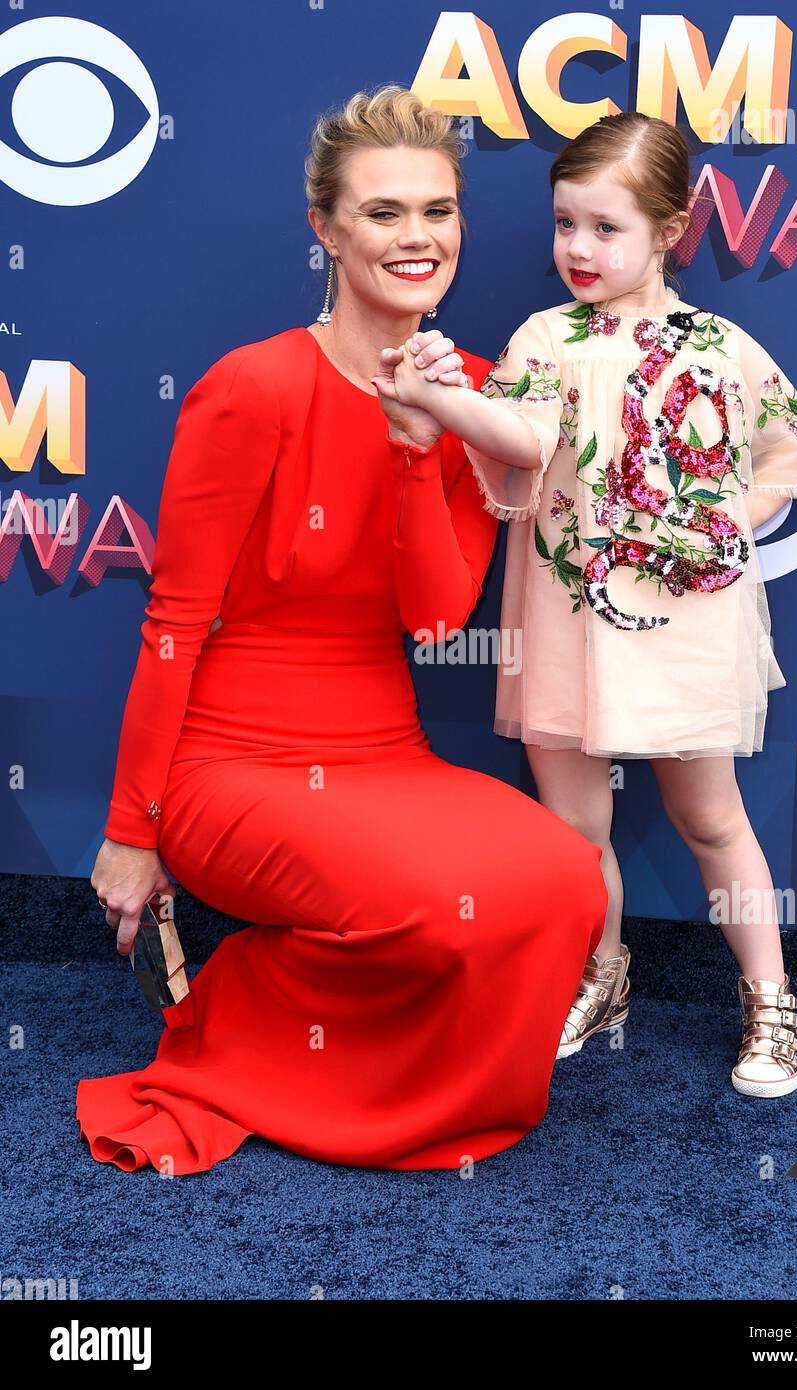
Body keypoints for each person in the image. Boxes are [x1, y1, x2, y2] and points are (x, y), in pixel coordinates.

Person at [79, 85, 608, 1176]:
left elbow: (432, 617)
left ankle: (414, 1093)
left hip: (379, 749)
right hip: (231, 765)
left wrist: (420, 442)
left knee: (560, 878)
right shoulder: (253, 386)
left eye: (438, 210)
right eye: (383, 212)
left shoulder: (470, 392)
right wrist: (134, 830)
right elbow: (173, 622)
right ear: (325, 228)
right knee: (432, 903)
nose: (417, 237)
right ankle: (239, 1018)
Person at [386, 111, 797, 1098]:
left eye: (605, 228)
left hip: (685, 617)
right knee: (572, 828)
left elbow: (796, 448)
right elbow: (514, 435)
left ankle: (770, 999)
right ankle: (601, 975)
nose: (578, 250)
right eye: (564, 225)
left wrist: (734, 511)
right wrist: (439, 395)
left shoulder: (717, 344)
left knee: (713, 818)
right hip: (565, 608)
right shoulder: (542, 337)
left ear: (670, 230)